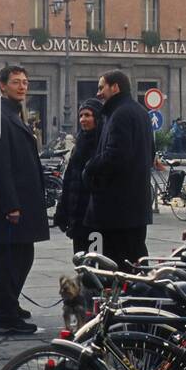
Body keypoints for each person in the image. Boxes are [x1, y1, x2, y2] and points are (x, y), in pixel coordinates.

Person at [0, 64, 48, 333]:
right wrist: (11, 206)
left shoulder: (11, 115)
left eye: (25, 82)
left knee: (15, 257)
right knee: (11, 260)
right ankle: (5, 316)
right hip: (9, 207)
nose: (22, 86)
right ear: (2, 85)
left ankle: (4, 308)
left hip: (18, 203)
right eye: (16, 82)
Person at [84, 70, 154, 269]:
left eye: (101, 87)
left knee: (117, 264)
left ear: (115, 87)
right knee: (135, 259)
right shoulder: (140, 112)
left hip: (118, 208)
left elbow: (116, 156)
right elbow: (150, 153)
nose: (98, 93)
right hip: (135, 206)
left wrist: (90, 168)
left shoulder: (120, 114)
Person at [53, 99, 103, 255]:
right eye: (81, 115)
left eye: (87, 115)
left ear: (97, 118)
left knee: (96, 264)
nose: (83, 119)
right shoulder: (79, 144)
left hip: (95, 216)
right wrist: (62, 211)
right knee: (81, 261)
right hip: (78, 216)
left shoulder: (102, 144)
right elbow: (68, 180)